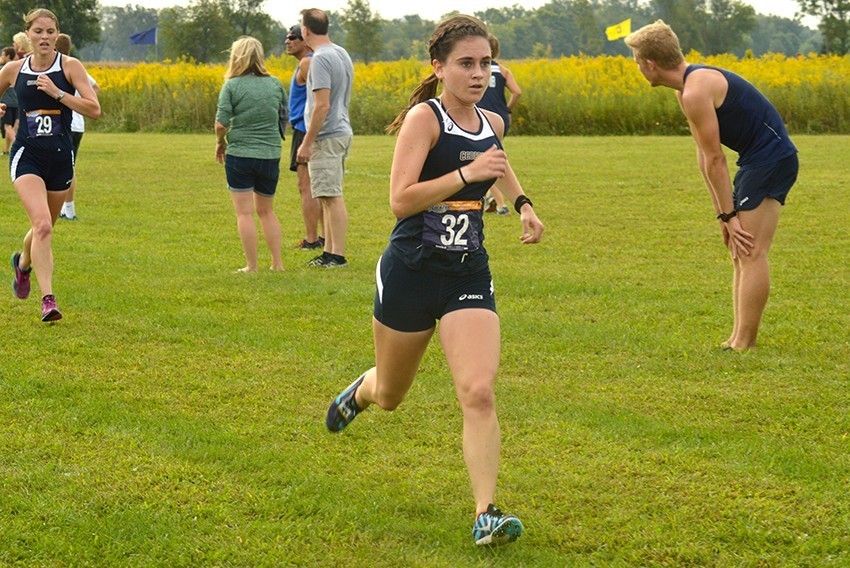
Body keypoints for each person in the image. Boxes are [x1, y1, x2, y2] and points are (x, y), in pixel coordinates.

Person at [324, 14, 544, 545]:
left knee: (479, 390)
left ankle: (486, 512)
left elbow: (497, 160)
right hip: (410, 271)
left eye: (486, 63)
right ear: (439, 67)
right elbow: (400, 201)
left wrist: (522, 204)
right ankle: (366, 388)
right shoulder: (426, 118)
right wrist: (465, 176)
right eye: (466, 63)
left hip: (467, 271)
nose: (478, 73)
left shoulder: (491, 120)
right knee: (394, 394)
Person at [625, 21, 798, 351]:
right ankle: (736, 339)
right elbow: (704, 157)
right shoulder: (686, 90)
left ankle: (745, 343)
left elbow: (718, 159)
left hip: (772, 159)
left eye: (636, 62)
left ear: (650, 64)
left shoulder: (695, 91)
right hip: (758, 160)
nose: (638, 69)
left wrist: (732, 214)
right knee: (739, 251)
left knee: (751, 251)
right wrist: (723, 215)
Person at [2, 8, 100, 321]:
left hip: (60, 158)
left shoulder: (70, 66)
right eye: (38, 32)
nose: (44, 37)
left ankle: (23, 265)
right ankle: (48, 300)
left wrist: (58, 93)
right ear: (27, 35)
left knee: (43, 228)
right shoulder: (13, 70)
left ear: (56, 34)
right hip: (26, 156)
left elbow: (94, 109)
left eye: (50, 32)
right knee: (42, 225)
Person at [215, 36, 288, 273]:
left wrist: (220, 143)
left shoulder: (232, 85)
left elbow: (220, 124)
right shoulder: (275, 84)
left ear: (236, 57)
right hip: (270, 155)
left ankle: (252, 266)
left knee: (244, 213)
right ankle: (277, 264)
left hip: (241, 155)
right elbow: (283, 116)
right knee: (267, 211)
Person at [296, 8, 353, 268]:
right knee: (328, 195)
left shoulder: (319, 58)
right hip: (341, 130)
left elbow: (322, 105)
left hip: (327, 134)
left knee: (331, 196)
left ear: (306, 30)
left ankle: (336, 255)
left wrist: (306, 143)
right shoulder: (340, 52)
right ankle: (329, 252)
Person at [285, 24, 323, 250]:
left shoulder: (308, 62)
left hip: (305, 129)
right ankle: (323, 237)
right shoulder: (309, 61)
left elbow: (320, 94)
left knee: (306, 186)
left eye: (293, 37)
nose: (287, 41)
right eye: (286, 37)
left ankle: (312, 239)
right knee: (317, 186)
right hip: (305, 128)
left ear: (305, 40)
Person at [54, 33, 99, 221]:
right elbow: (95, 87)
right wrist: (81, 99)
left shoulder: (63, 66)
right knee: (66, 167)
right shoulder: (75, 66)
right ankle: (64, 208)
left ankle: (69, 210)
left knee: (65, 169)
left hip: (66, 123)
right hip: (77, 125)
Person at [478, 33, 522, 216]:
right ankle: (490, 197)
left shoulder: (474, 70)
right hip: (501, 118)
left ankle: (500, 203)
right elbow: (517, 92)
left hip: (481, 117)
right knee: (490, 155)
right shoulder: (503, 71)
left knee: (487, 159)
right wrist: (507, 109)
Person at [0, 46, 18, 155]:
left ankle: (19, 146)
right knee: (11, 127)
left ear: (7, 56)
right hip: (16, 102)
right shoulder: (18, 69)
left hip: (6, 103)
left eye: (2, 54)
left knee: (7, 127)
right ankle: (6, 150)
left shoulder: (4, 70)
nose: (1, 57)